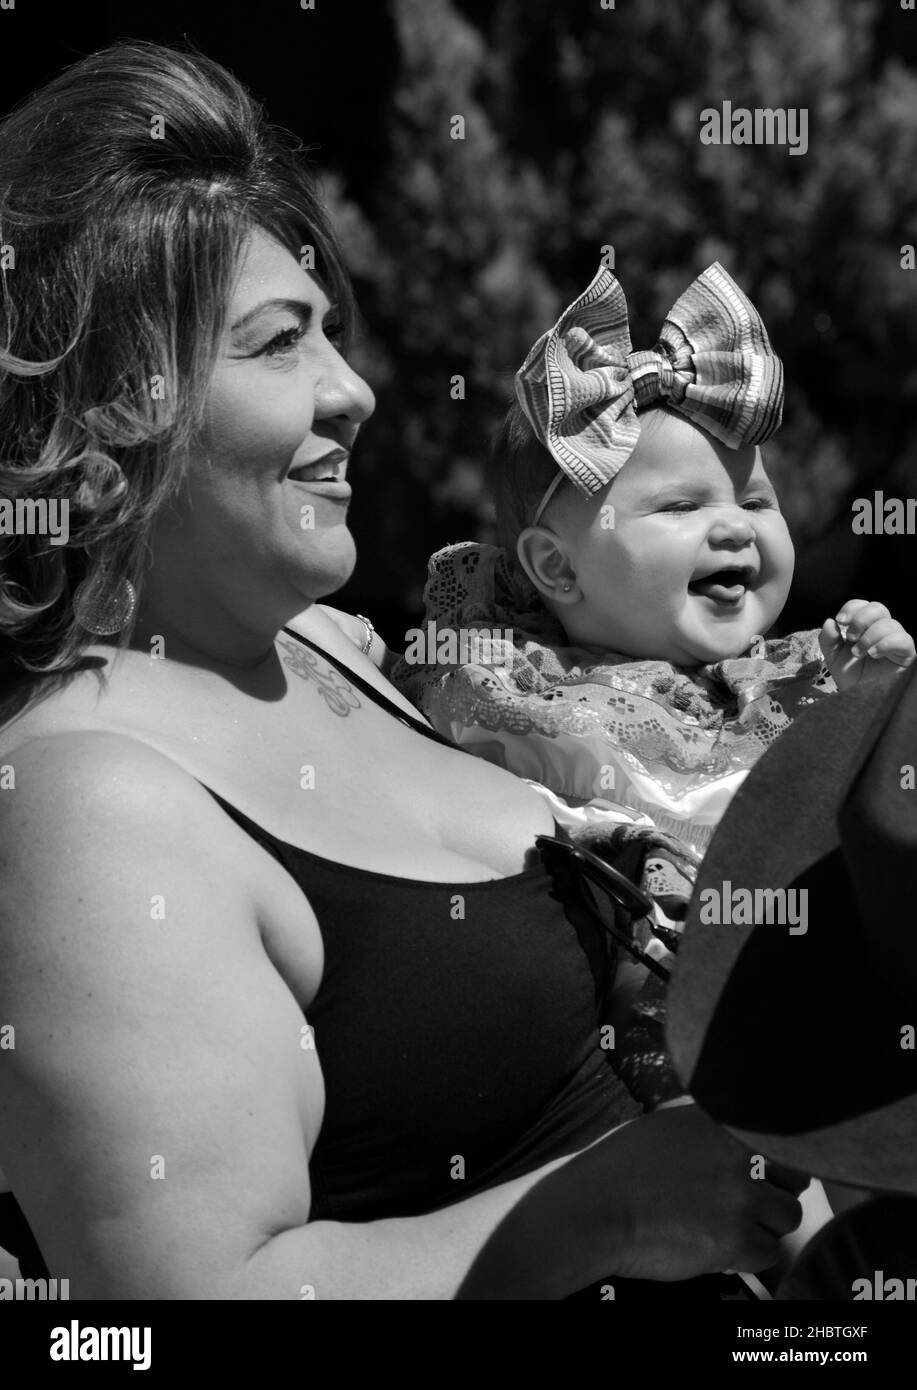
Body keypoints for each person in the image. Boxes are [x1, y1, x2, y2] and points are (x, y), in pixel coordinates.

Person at [0, 40, 807, 1300]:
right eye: (279, 345)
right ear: (110, 403)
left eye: (333, 334)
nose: (355, 390)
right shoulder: (83, 804)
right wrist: (589, 1212)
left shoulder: (337, 653)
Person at [391, 264, 915, 861]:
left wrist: (876, 705)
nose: (735, 525)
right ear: (558, 568)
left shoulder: (802, 685)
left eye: (754, 501)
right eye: (682, 506)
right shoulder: (511, 692)